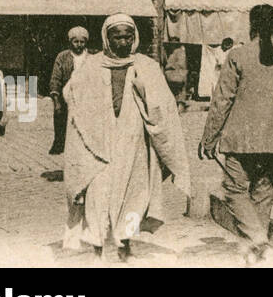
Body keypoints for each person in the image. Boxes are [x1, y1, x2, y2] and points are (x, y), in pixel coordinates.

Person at [62, 14, 191, 260]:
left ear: (135, 38)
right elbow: (72, 93)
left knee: (134, 196)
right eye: (117, 36)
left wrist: (145, 92)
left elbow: (164, 107)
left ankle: (125, 247)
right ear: (106, 38)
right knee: (97, 196)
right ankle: (97, 250)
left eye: (127, 36)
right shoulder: (91, 65)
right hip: (98, 145)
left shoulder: (147, 67)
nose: (122, 41)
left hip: (134, 145)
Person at [200, 4, 273, 264]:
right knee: (264, 192)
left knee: (233, 189)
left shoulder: (238, 56)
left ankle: (257, 240)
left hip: (241, 138)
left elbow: (222, 101)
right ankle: (257, 252)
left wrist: (209, 138)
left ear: (251, 26)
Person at [48, 27, 89, 155]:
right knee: (62, 120)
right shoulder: (63, 57)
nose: (79, 45)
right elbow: (55, 79)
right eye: (76, 42)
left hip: (85, 95)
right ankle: (60, 143)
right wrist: (56, 101)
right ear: (70, 41)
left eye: (82, 42)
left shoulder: (91, 57)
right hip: (67, 95)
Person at [163, 41, 189, 113]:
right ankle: (178, 108)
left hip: (173, 74)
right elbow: (181, 64)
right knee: (180, 91)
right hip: (176, 74)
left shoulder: (173, 51)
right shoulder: (179, 51)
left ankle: (177, 108)